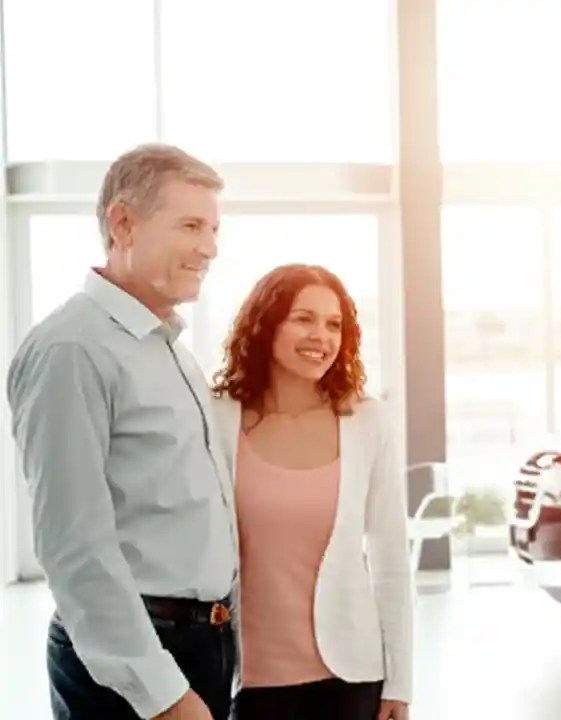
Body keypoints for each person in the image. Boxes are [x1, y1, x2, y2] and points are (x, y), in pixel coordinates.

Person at [7, 144, 235, 720]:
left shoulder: (169, 352)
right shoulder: (72, 350)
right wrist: (162, 694)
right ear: (123, 224)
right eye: (190, 225)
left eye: (213, 228)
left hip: (199, 644)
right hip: (136, 663)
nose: (209, 246)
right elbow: (73, 547)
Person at [208, 264, 413, 720]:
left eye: (334, 323)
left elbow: (390, 558)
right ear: (266, 324)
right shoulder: (218, 418)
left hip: (351, 676)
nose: (321, 335)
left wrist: (400, 681)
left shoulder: (367, 421)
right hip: (251, 677)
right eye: (304, 318)